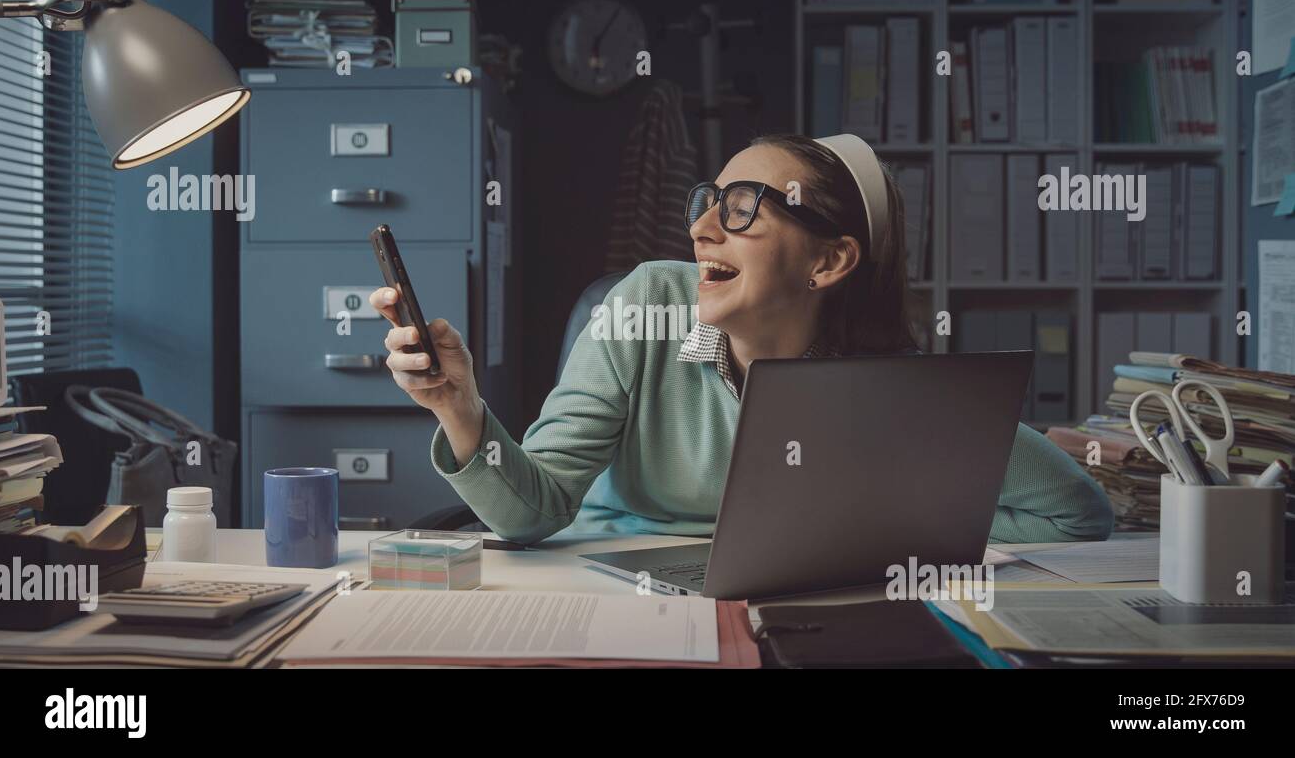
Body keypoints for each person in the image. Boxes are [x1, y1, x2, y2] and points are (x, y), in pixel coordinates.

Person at [370, 133, 1113, 546]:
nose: (700, 231)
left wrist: (894, 535)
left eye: (742, 208)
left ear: (829, 260)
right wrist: (460, 408)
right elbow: (534, 510)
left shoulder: (895, 391)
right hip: (617, 584)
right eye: (707, 203)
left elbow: (1076, 512)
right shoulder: (648, 305)